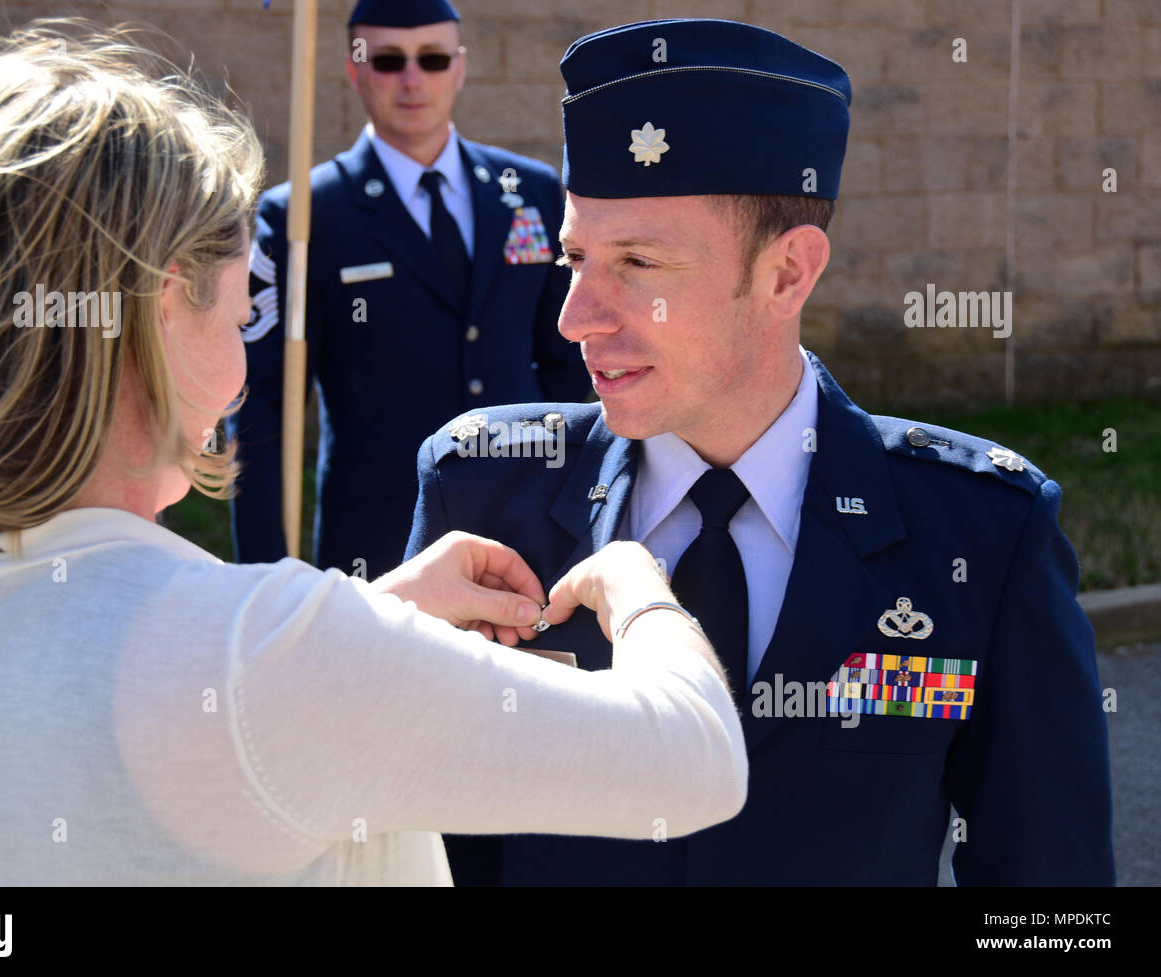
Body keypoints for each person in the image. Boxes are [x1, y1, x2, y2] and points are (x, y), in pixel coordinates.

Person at [0, 24, 748, 886]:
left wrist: (366, 618)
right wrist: (634, 583)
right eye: (240, 305)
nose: (247, 349)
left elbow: (161, 684)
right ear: (165, 304)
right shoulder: (263, 653)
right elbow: (695, 759)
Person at [408, 18, 1115, 885]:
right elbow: (427, 841)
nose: (573, 316)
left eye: (637, 262)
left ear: (788, 274)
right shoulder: (482, 495)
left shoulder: (979, 534)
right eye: (575, 256)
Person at [228, 0, 590, 578]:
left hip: (525, 526)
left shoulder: (529, 192)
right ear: (353, 69)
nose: (413, 78)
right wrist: (266, 578)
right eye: (388, 59)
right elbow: (262, 415)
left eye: (433, 58)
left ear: (461, 66)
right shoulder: (305, 218)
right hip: (380, 543)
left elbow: (571, 372)